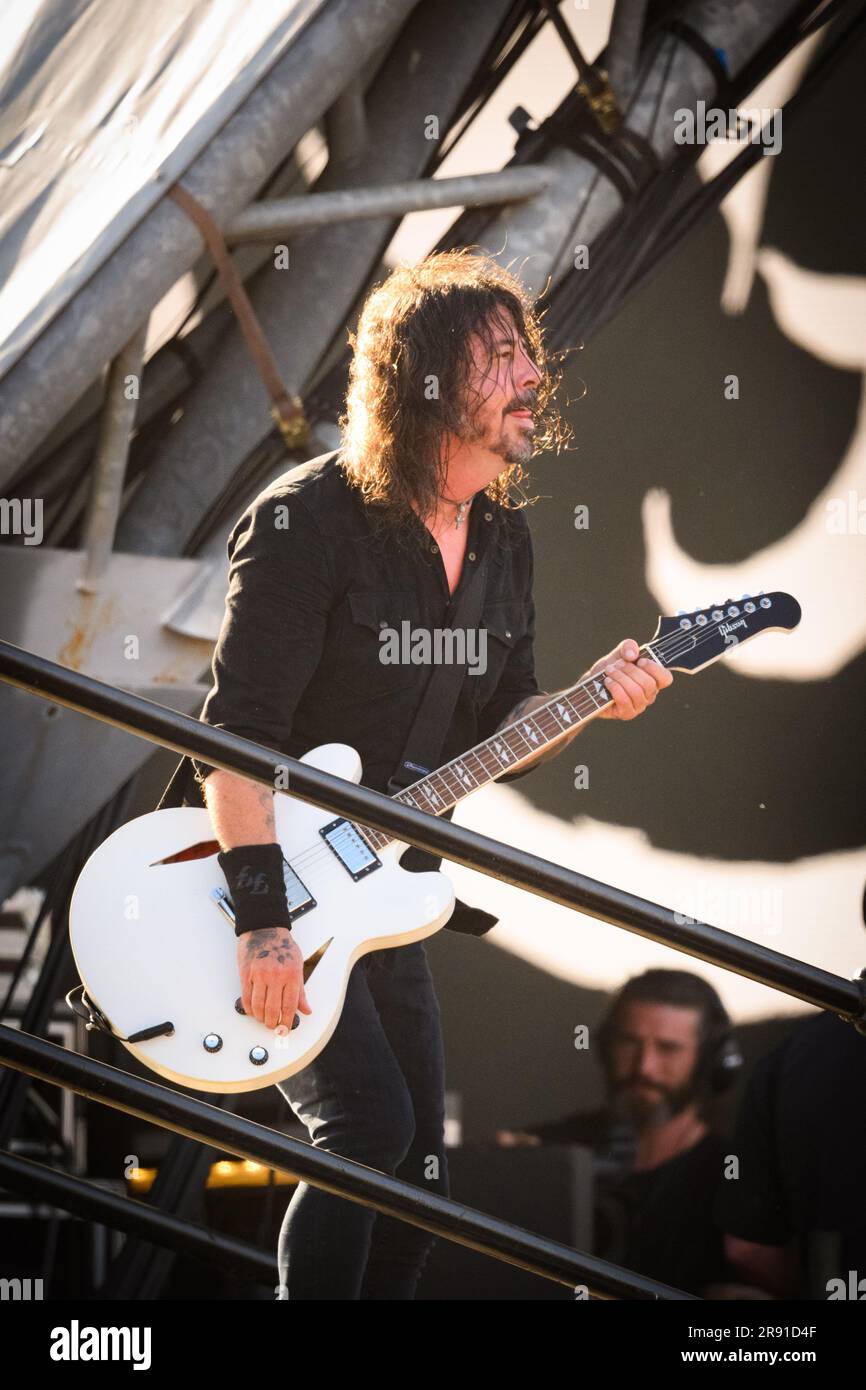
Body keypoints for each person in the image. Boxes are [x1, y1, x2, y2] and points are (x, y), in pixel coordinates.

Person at [190, 249, 674, 1299]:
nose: (531, 377)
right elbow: (234, 736)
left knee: (418, 1182)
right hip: (269, 885)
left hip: (378, 897)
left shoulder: (503, 540)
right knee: (367, 1130)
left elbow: (504, 724)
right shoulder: (306, 520)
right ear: (422, 379)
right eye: (500, 357)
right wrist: (260, 920)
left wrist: (590, 697)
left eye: (528, 355)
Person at [497, 970, 741, 1295]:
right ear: (604, 1047)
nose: (645, 1067)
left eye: (668, 1049)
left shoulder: (738, 1180)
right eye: (629, 1042)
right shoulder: (545, 1150)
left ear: (710, 1063)